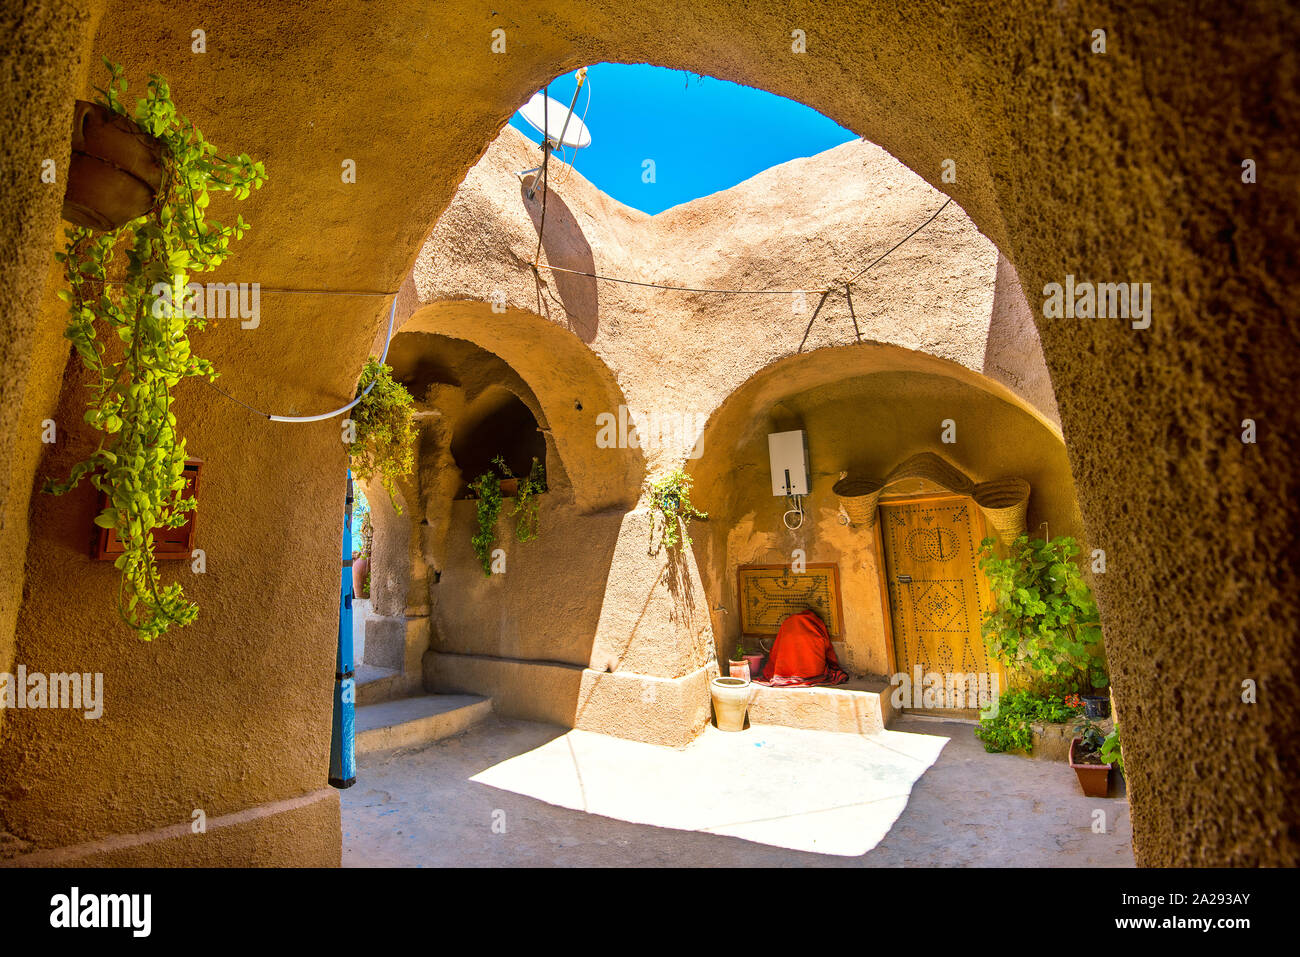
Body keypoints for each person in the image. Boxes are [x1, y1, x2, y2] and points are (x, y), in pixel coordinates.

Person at [757, 608, 849, 687]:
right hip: (816, 674)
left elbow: (775, 655)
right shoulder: (814, 627)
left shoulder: (789, 625)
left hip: (785, 673)